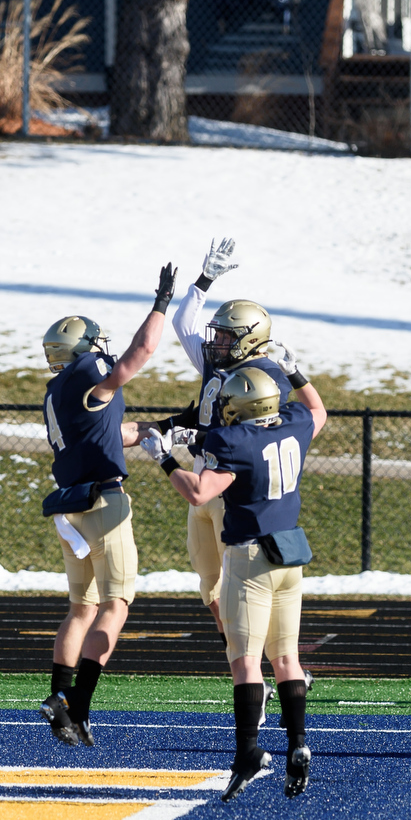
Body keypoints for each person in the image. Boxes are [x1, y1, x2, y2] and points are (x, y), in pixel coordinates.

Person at [141, 351, 327, 803]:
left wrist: (164, 459)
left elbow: (200, 490)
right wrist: (295, 369)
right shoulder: (296, 425)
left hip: (250, 559)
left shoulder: (235, 443)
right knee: (286, 658)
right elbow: (318, 409)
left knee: (245, 660)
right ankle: (298, 742)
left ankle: (247, 752)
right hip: (290, 557)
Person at [36, 264, 176, 747]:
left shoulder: (59, 391)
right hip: (103, 503)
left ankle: (57, 693)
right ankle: (79, 704)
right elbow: (140, 353)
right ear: (81, 351)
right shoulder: (89, 377)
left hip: (70, 508)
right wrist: (161, 304)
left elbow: (115, 435)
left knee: (80, 609)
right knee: (115, 605)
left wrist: (165, 424)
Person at [140, 239, 294, 650]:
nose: (216, 342)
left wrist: (199, 436)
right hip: (199, 478)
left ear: (248, 338)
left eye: (226, 336)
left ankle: (268, 665)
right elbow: (184, 325)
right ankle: (245, 660)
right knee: (209, 583)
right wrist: (204, 280)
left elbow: (257, 438)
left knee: (240, 586)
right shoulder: (218, 362)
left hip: (230, 485)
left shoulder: (266, 379)